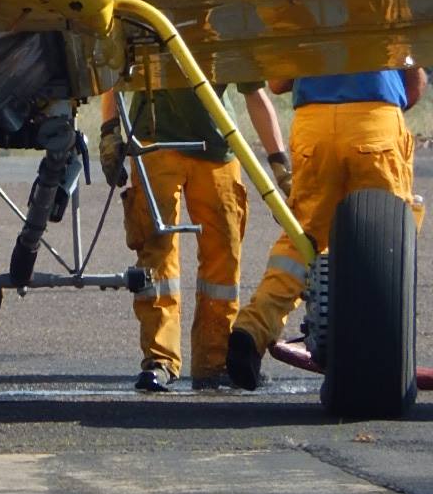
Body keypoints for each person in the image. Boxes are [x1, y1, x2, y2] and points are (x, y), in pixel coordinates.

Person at [226, 63, 427, 390]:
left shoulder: (300, 10)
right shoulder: (390, 10)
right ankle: (368, 347)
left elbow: (276, 83)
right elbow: (415, 86)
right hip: (375, 122)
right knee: (384, 245)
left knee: (299, 242)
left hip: (314, 124)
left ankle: (251, 331)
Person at [100, 82, 290, 392]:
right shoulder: (150, 30)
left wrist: (280, 166)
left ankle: (213, 363)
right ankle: (159, 360)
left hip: (217, 145)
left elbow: (254, 90)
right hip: (155, 143)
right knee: (156, 255)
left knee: (223, 257)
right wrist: (109, 133)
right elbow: (114, 72)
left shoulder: (223, 31)